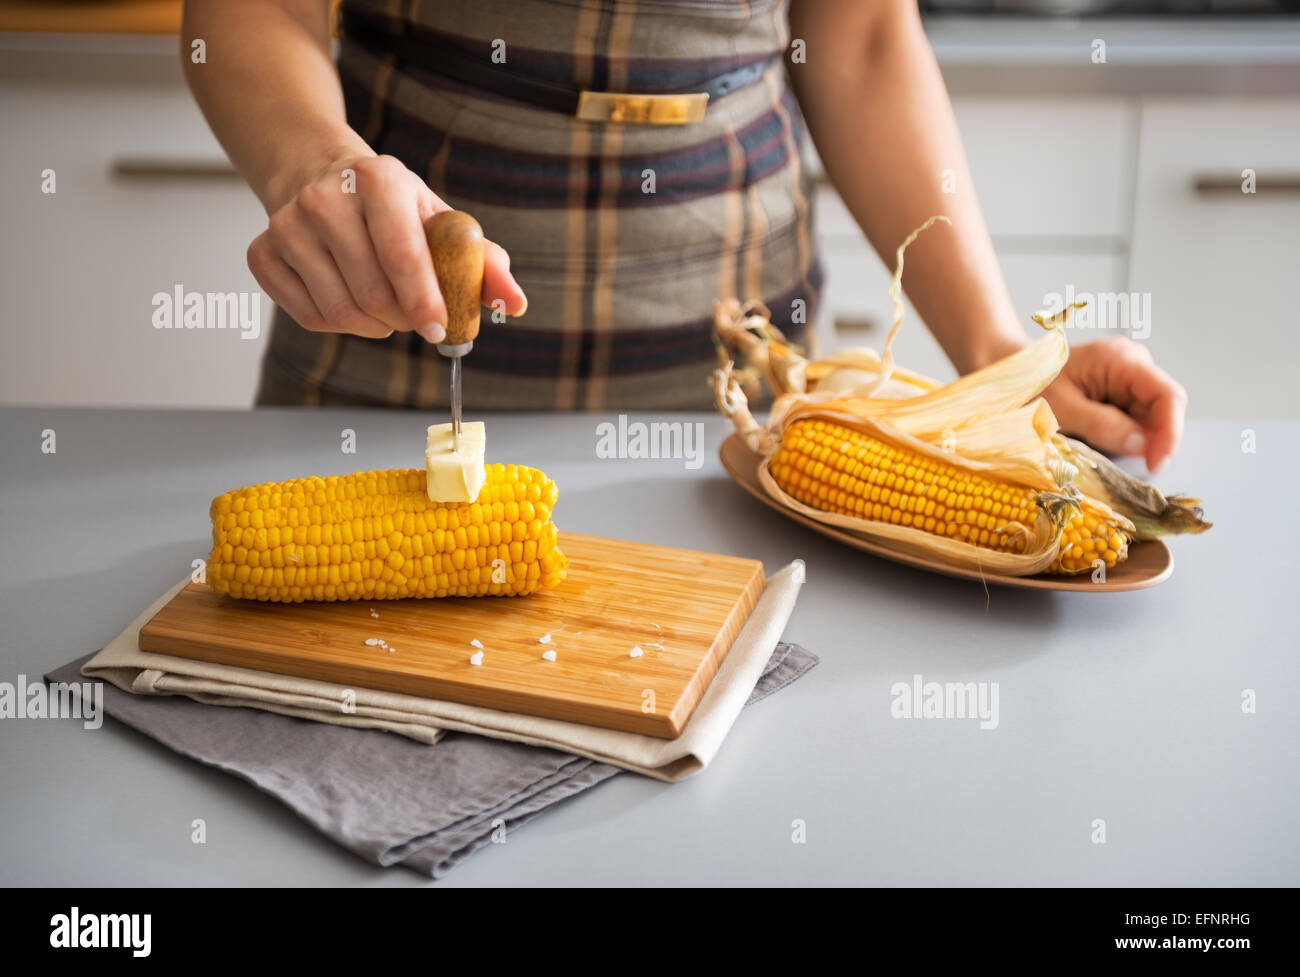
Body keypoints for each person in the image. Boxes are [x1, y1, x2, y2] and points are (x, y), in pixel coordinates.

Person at [185, 0, 1186, 473]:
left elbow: (862, 38)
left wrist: (997, 354)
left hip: (739, 391)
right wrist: (314, 162)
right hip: (385, 333)